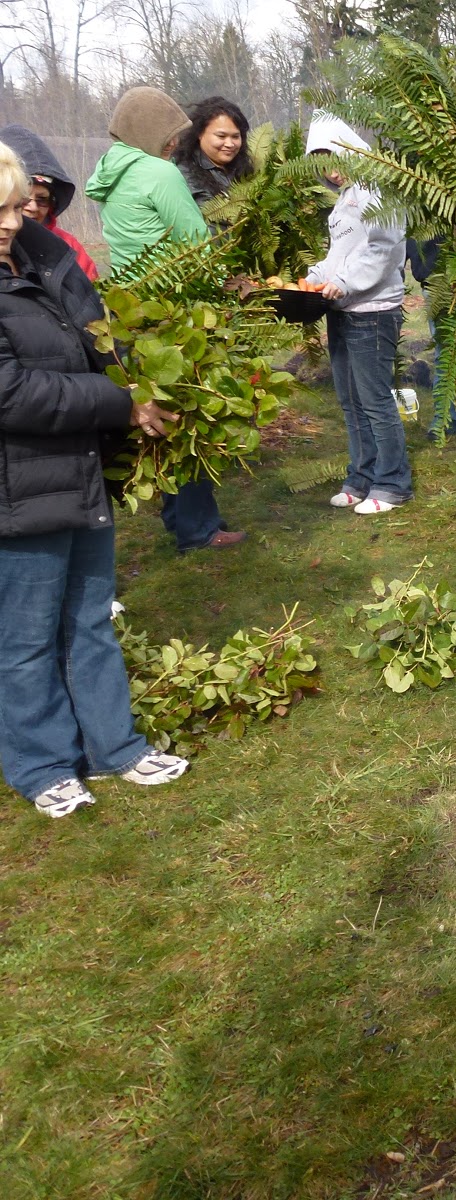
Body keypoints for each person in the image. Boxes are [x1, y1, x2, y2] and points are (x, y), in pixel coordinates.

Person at [0, 140, 190, 817]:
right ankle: (41, 763)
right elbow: (13, 393)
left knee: (89, 618)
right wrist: (120, 402)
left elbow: (98, 333)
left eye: (16, 208)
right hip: (15, 488)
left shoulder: (44, 255)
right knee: (24, 638)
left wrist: (150, 369)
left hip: (78, 469)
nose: (11, 223)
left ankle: (116, 749)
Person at [86, 86, 245, 553]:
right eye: (170, 135)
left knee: (163, 418)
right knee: (191, 412)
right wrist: (228, 287)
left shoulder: (110, 173)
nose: (176, 145)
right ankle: (198, 528)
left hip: (133, 311)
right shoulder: (158, 172)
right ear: (150, 133)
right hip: (175, 308)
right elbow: (196, 242)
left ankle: (181, 520)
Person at [305, 112, 412, 515]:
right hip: (342, 308)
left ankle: (392, 483)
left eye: (332, 158)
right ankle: (361, 477)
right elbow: (339, 257)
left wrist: (345, 283)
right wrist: (311, 278)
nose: (330, 171)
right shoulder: (344, 200)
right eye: (320, 164)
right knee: (350, 401)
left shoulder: (376, 189)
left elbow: (383, 250)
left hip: (373, 312)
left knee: (375, 400)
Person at [0, 124, 99, 280]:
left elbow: (92, 292)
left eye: (42, 199)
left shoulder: (67, 248)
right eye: (23, 200)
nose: (32, 207)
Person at [172, 95, 255, 207]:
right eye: (221, 136)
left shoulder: (246, 170)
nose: (230, 144)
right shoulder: (182, 175)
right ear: (200, 133)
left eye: (235, 137)